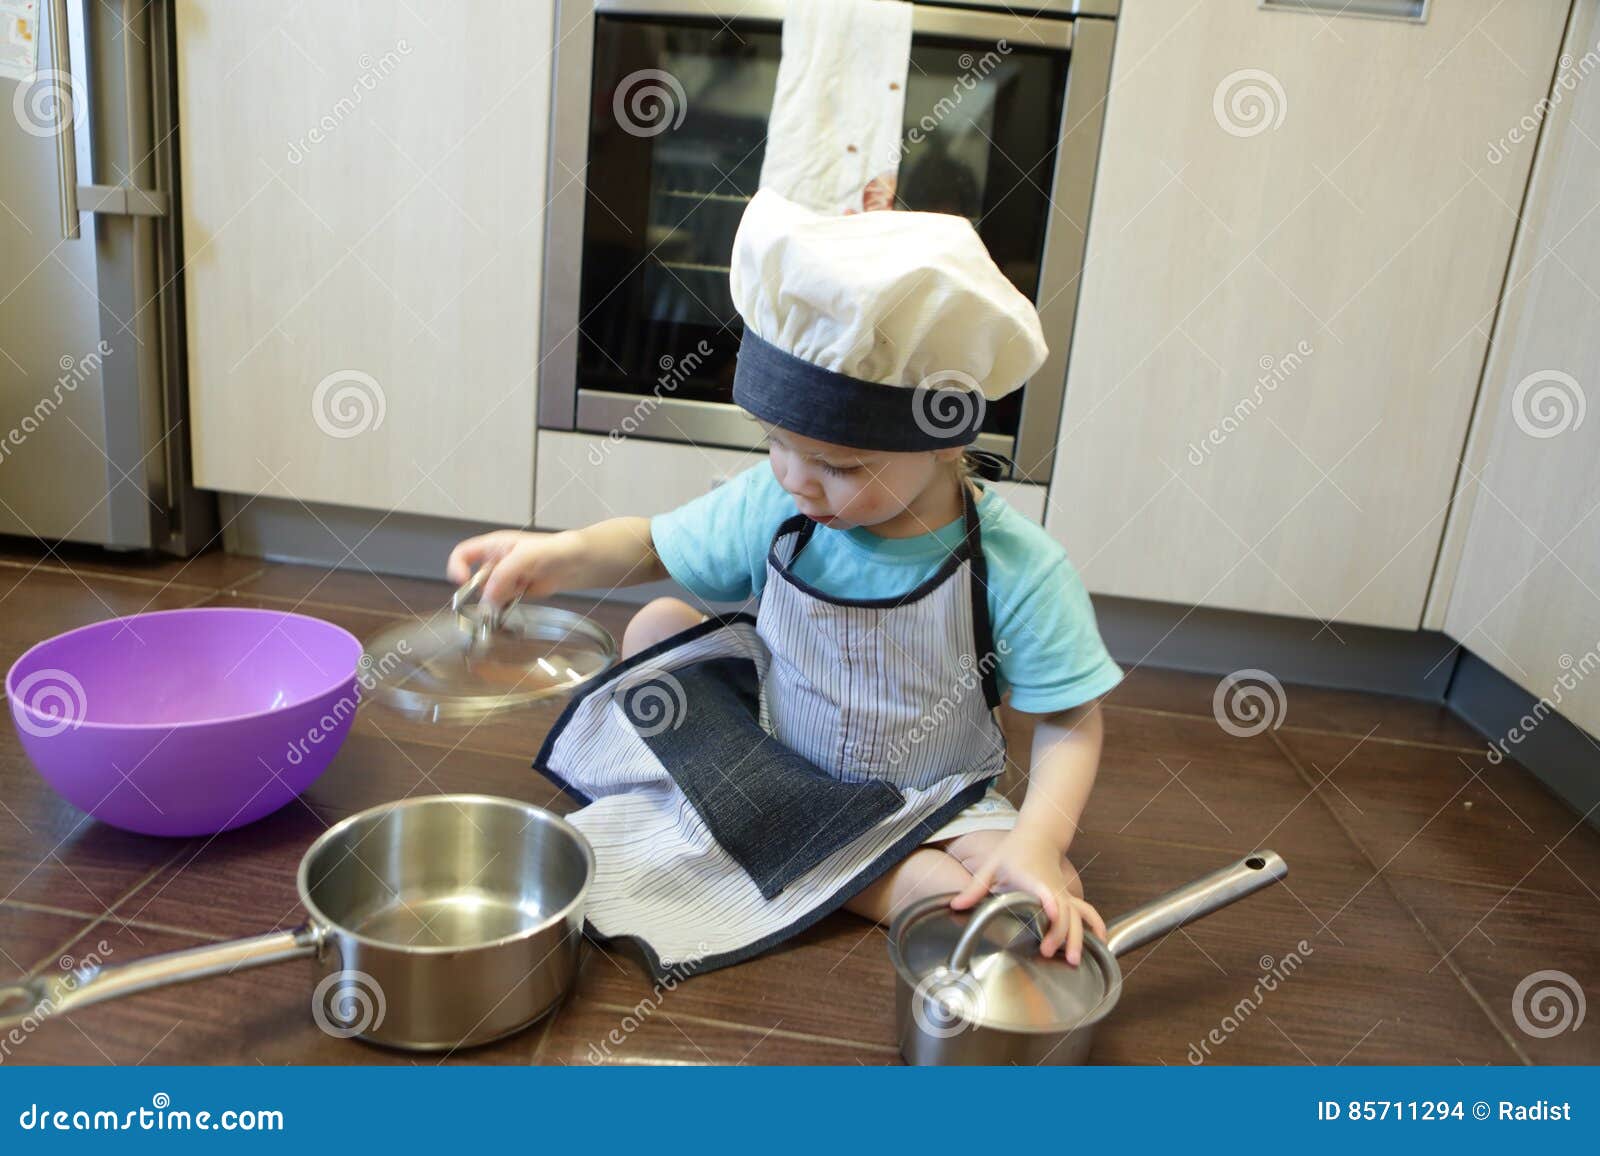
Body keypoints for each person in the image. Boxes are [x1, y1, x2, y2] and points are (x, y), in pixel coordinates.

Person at [446, 188, 1122, 980]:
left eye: (839, 466)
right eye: (776, 444)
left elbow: (1072, 722)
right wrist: (556, 555)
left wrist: (1038, 846)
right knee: (656, 626)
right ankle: (855, 872)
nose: (797, 481)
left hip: (929, 799)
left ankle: (792, 845)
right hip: (772, 750)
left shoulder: (1017, 567)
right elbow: (649, 546)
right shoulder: (777, 500)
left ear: (944, 439)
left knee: (1045, 890)